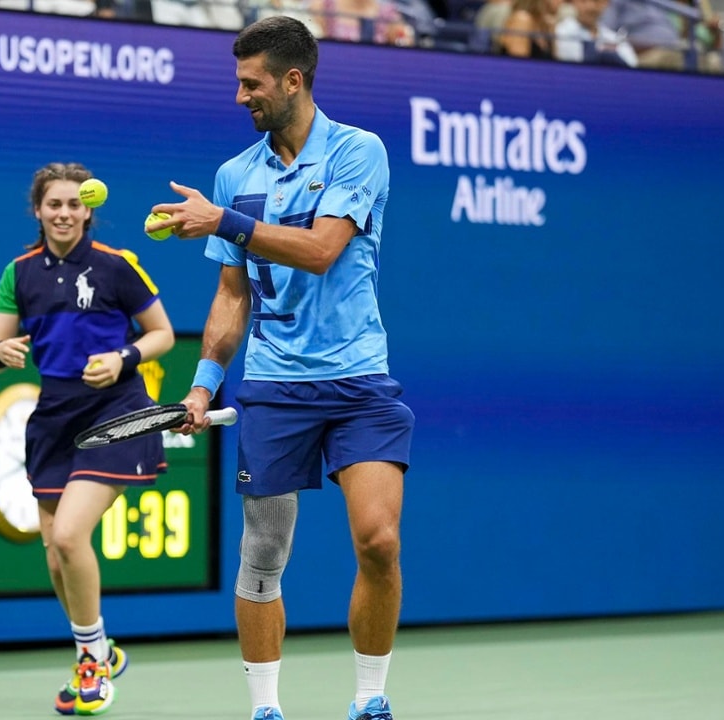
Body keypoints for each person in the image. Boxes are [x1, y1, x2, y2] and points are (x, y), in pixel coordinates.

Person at [148, 16, 415, 720]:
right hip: (273, 385)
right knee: (263, 552)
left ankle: (369, 698)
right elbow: (231, 295)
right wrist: (204, 384)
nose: (241, 97)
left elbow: (323, 249)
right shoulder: (235, 176)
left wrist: (224, 223)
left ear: (293, 81)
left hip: (359, 382)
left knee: (379, 541)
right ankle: (266, 709)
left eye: (252, 83)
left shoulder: (359, 152)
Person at [0, 162, 175, 716]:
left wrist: (124, 357)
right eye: (53, 205)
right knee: (54, 557)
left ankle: (90, 661)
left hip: (115, 412)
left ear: (88, 210)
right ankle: (102, 648)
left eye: (73, 204)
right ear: (38, 211)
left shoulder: (117, 267)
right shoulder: (18, 273)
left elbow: (161, 332)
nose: (64, 213)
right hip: (54, 420)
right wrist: (3, 352)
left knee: (69, 535)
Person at [554, 0, 638, 66]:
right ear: (574, 1)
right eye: (584, 1)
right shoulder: (561, 32)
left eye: (596, 1)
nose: (590, 7)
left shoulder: (613, 38)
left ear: (605, 3)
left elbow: (632, 65)